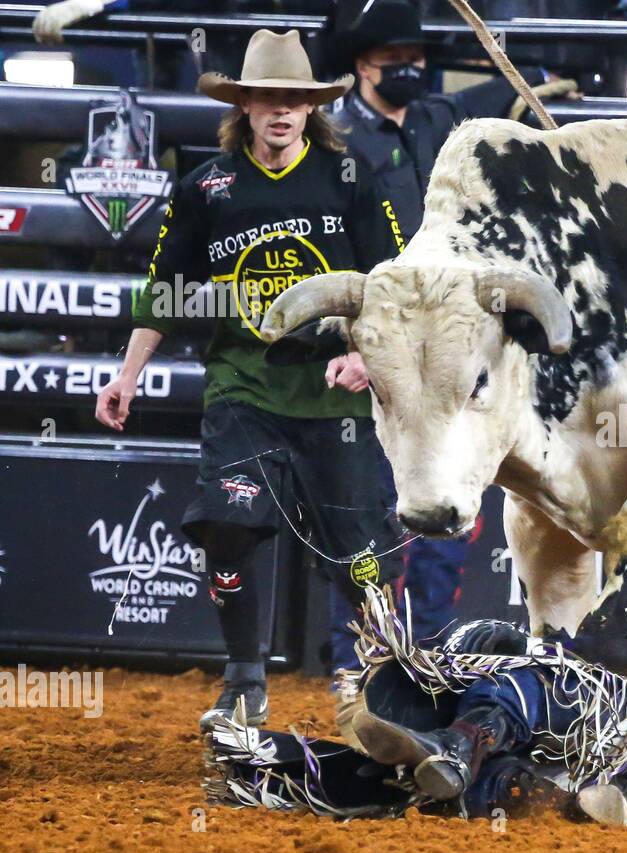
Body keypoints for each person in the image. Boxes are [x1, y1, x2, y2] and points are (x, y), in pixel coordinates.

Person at [95, 29, 407, 730]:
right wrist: (127, 374)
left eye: (295, 99)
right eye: (268, 98)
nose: (282, 110)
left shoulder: (349, 173)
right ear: (245, 107)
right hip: (244, 385)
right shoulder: (207, 186)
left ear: (311, 109)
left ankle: (387, 682)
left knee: (362, 557)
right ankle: (243, 681)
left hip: (336, 395)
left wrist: (367, 354)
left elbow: (393, 281)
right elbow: (166, 286)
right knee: (228, 529)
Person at [318, 0, 559, 670]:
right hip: (387, 350)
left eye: (416, 61)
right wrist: (355, 346)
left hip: (451, 346)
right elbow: (334, 249)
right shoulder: (335, 143)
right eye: (394, 62)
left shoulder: (439, 119)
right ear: (362, 66)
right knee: (376, 516)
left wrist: (541, 81)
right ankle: (358, 661)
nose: (408, 71)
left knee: (450, 498)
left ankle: (427, 653)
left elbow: (505, 94)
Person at [206, 598, 627, 829]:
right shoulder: (546, 655)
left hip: (599, 730)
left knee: (521, 687)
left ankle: (457, 750)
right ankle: (558, 801)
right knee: (438, 781)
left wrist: (527, 645)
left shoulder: (617, 677)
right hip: (563, 758)